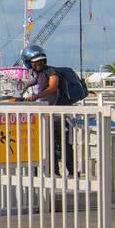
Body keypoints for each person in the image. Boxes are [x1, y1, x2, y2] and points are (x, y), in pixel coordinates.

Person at [21, 45, 74, 175]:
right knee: (49, 144)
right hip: (47, 115)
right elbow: (30, 82)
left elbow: (53, 87)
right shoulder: (39, 74)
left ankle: (72, 172)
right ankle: (54, 172)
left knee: (64, 145)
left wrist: (36, 96)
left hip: (58, 114)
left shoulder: (52, 72)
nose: (37, 64)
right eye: (35, 62)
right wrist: (21, 86)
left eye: (39, 61)